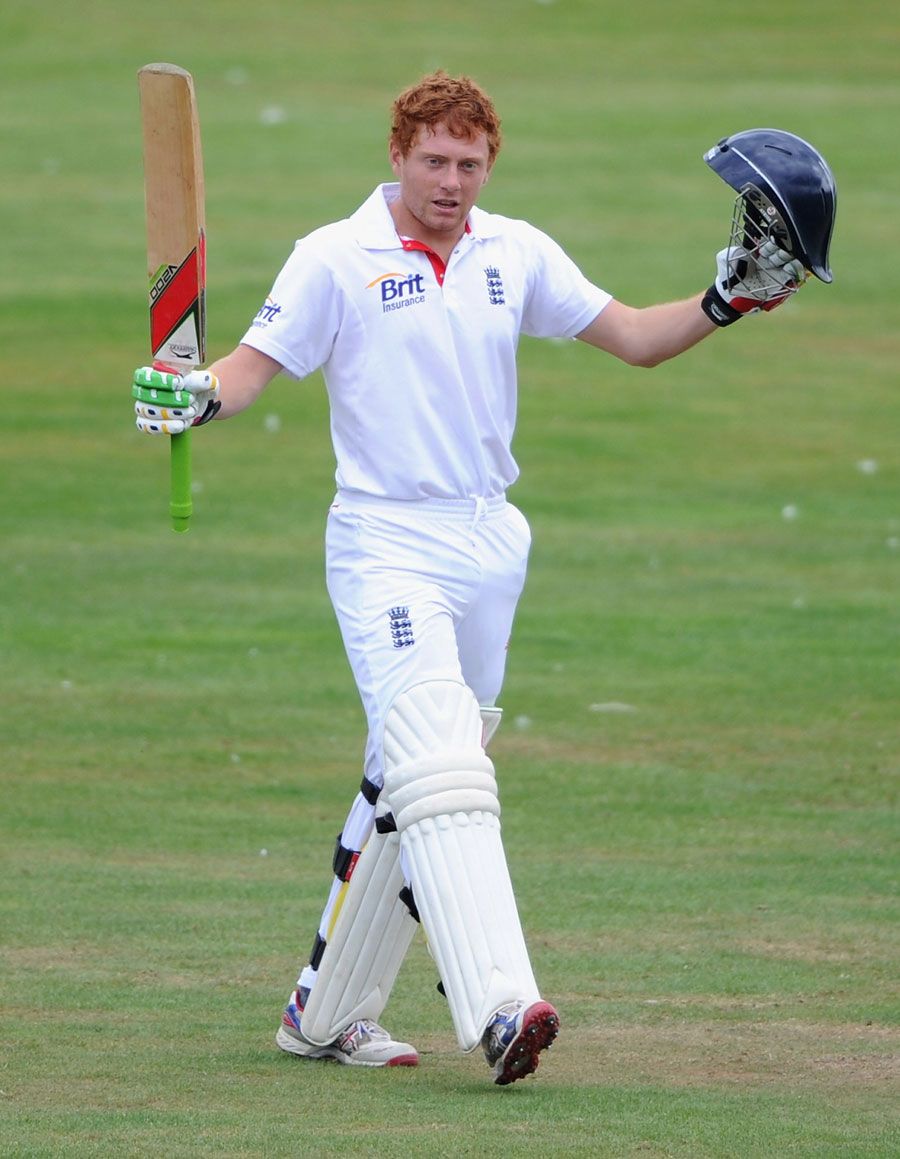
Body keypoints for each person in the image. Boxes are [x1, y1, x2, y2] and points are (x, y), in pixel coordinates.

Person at [132, 72, 835, 1086]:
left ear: (488, 165)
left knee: (412, 776)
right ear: (397, 155)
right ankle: (504, 1008)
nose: (452, 181)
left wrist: (728, 299)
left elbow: (636, 337)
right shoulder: (336, 258)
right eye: (434, 161)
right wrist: (192, 399)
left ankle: (322, 1012)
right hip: (385, 540)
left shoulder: (516, 251)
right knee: (441, 760)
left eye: (469, 163)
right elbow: (250, 367)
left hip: (489, 541)